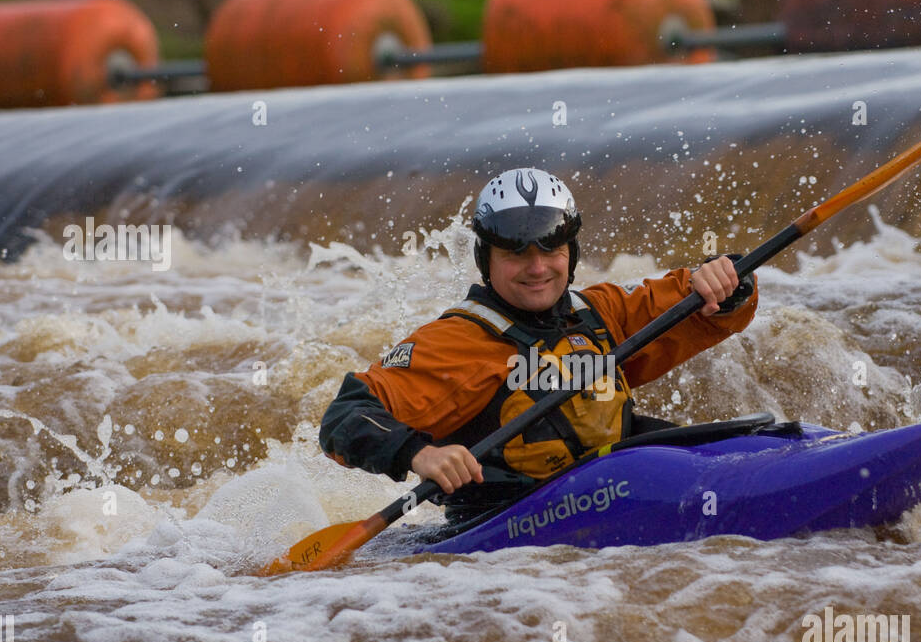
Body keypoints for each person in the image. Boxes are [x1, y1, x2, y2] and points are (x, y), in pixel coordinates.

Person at [319, 167, 757, 525]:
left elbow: (693, 304)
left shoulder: (599, 313)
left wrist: (726, 282)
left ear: (572, 252)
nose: (538, 268)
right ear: (486, 260)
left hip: (620, 495)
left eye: (552, 250)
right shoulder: (458, 342)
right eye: (516, 254)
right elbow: (345, 416)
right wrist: (420, 454)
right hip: (509, 529)